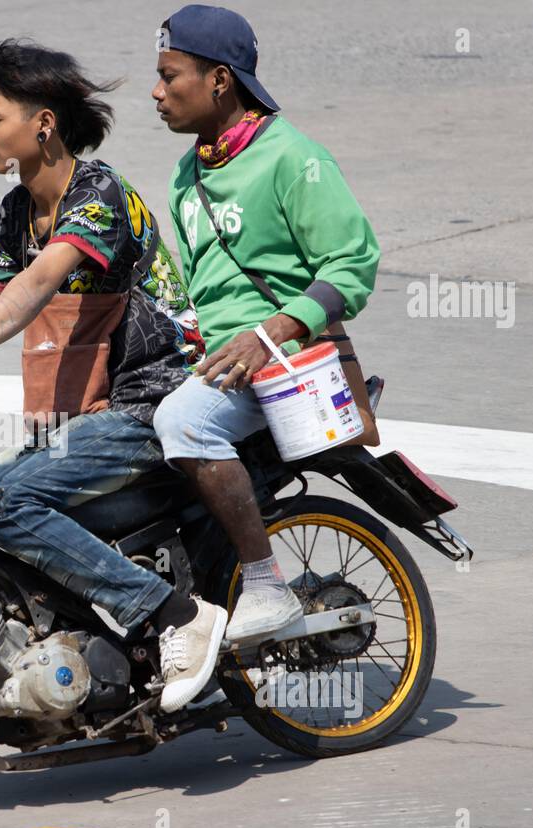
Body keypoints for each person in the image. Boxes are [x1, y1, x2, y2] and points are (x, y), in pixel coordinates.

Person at [0, 38, 225, 713]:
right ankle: (62, 644)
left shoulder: (96, 194)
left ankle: (175, 616)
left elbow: (35, 287)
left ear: (42, 124)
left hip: (150, 403)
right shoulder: (14, 215)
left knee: (9, 505)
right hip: (80, 423)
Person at [150, 6, 381, 661]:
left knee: (185, 424)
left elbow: (354, 262)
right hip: (224, 365)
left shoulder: (291, 158)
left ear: (220, 80)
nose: (156, 92)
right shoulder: (184, 174)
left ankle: (264, 582)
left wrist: (272, 332)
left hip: (291, 369)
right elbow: (203, 289)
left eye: (170, 76)